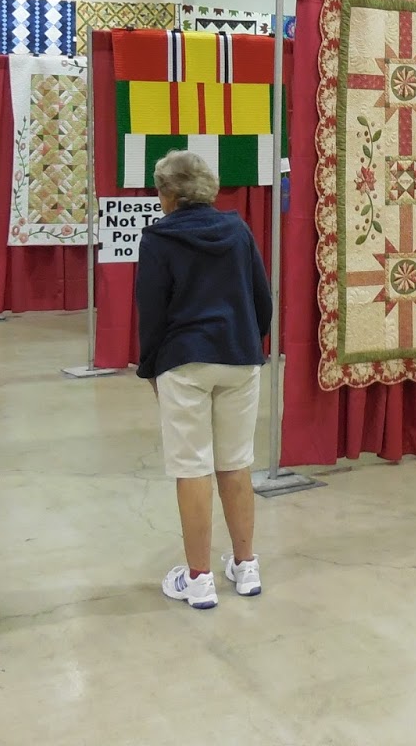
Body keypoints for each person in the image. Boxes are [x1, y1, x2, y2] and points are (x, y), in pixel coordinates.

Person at [135, 150, 271, 610]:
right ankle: (247, 566)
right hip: (239, 355)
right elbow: (261, 298)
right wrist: (251, 342)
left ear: (170, 194)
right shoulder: (237, 229)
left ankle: (198, 580)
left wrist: (150, 367)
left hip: (185, 361)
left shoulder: (157, 239)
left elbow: (151, 314)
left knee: (191, 468)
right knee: (236, 462)